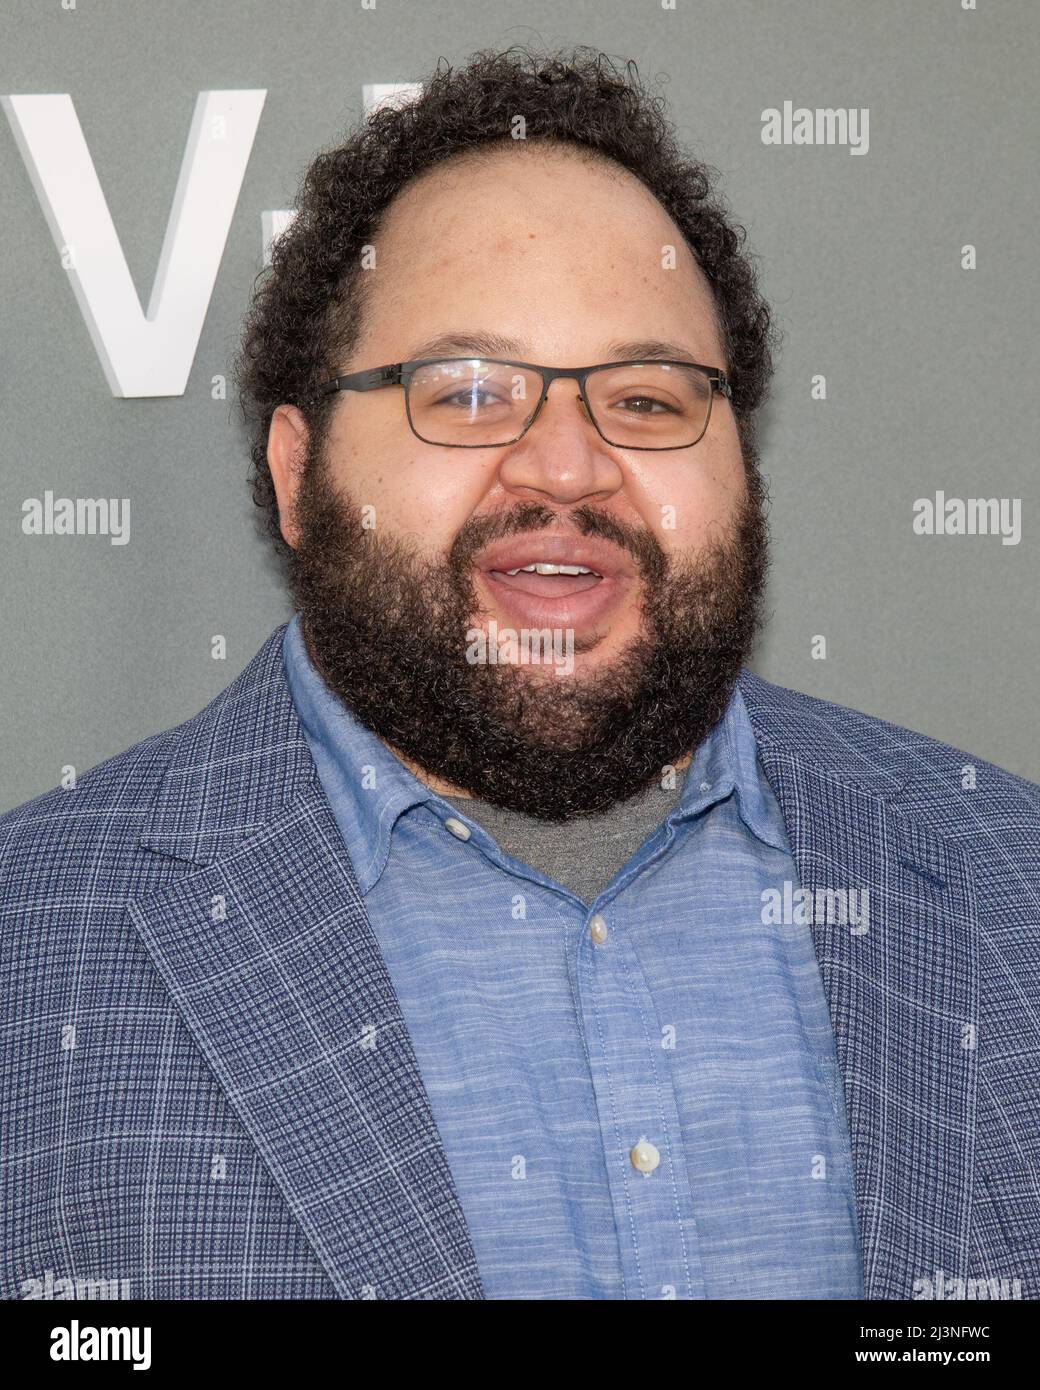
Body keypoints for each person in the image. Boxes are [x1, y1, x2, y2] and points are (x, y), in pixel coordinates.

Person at [3, 45, 1038, 1303]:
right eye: (470, 391)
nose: (565, 467)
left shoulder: (1005, 884)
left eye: (649, 400)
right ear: (296, 473)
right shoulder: (31, 953)